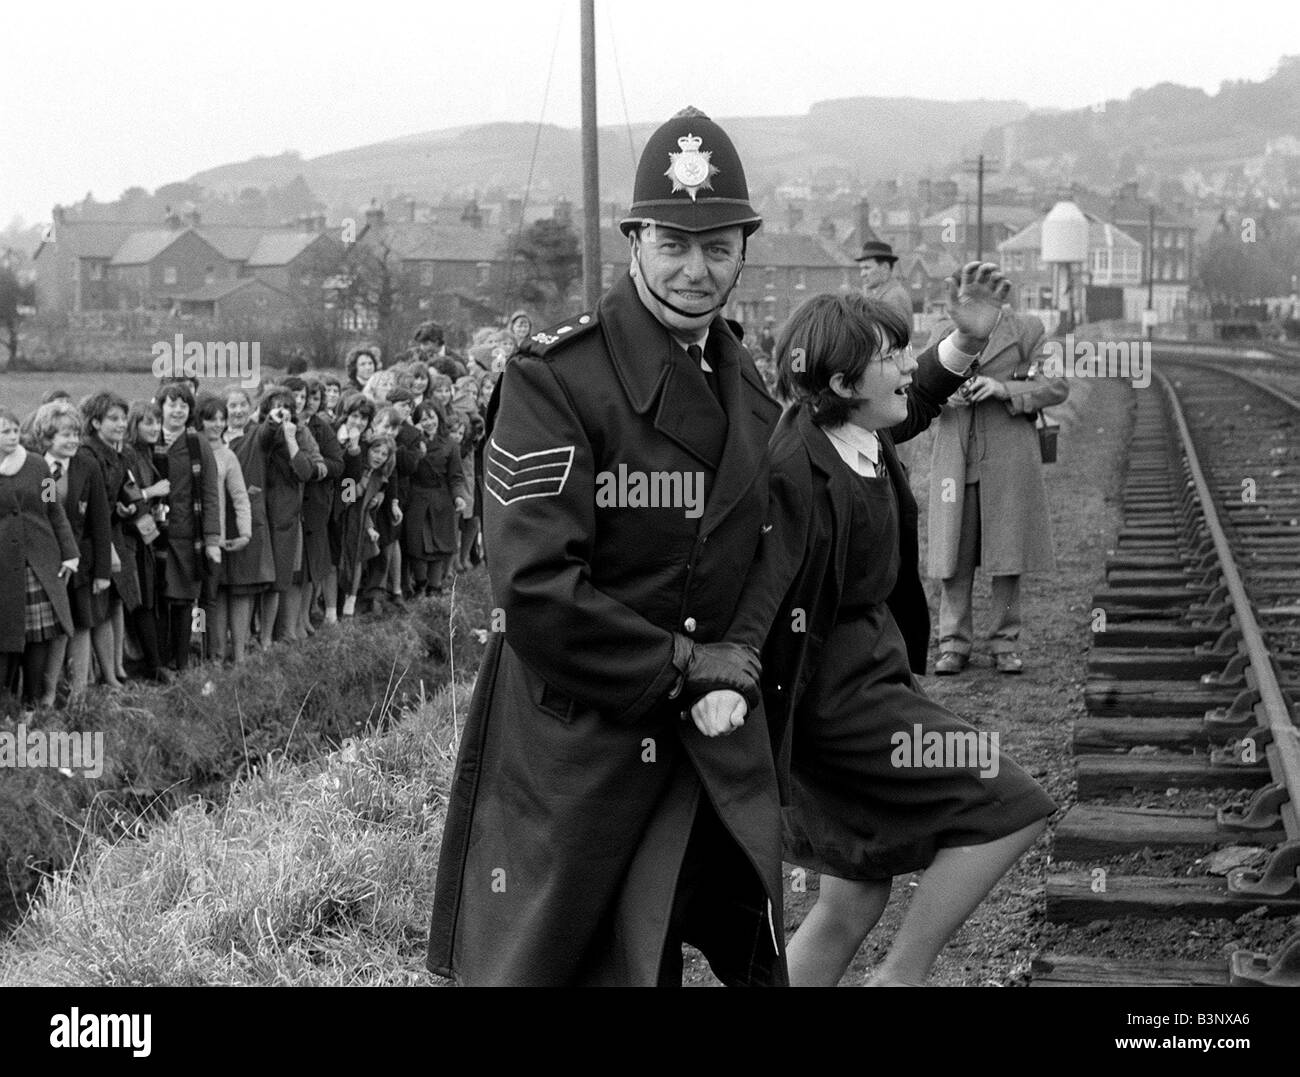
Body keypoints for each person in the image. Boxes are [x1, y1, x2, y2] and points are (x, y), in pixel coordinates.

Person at [428, 106, 787, 986]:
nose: (695, 270)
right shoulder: (555, 381)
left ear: (744, 249)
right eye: (673, 244)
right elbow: (535, 588)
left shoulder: (740, 373)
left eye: (717, 246)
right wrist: (684, 664)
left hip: (713, 740)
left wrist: (735, 656)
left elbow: (779, 526)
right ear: (633, 243)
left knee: (755, 953)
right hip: (586, 755)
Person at [716, 273, 1054, 986]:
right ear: (841, 380)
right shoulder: (796, 469)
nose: (905, 368)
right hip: (836, 706)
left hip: (869, 681)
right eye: (889, 357)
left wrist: (964, 338)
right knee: (1011, 799)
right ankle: (899, 977)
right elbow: (760, 597)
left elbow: (924, 393)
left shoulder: (858, 432)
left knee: (852, 897)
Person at [927, 296, 1069, 675]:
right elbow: (918, 387)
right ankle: (953, 644)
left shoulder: (1029, 331)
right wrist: (946, 392)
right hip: (956, 461)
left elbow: (1056, 384)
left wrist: (1003, 388)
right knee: (953, 555)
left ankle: (1005, 643)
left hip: (1008, 459)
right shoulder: (943, 332)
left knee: (1007, 555)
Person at [29, 401, 113, 702]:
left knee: (81, 625)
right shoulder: (35, 467)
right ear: (48, 436)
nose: (74, 440)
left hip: (83, 564)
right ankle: (48, 695)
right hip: (46, 567)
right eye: (66, 435)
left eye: (77, 434)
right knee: (54, 632)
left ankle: (80, 695)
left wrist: (103, 571)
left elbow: (100, 521)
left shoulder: (86, 466)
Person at [0, 407, 79, 709]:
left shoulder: (36, 467)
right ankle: (7, 707)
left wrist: (70, 553)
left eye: (14, 430)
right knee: (7, 639)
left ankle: (34, 707)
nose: (11, 436)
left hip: (39, 562)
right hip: (5, 568)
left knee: (39, 639)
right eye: (4, 430)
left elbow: (54, 510)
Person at [152, 382, 222, 672]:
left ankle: (182, 662)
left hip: (187, 536)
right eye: (172, 404)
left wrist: (212, 539)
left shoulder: (198, 444)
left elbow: (209, 493)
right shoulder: (148, 438)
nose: (178, 411)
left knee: (185, 602)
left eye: (184, 405)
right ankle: (158, 662)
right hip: (154, 535)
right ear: (161, 408)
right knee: (157, 602)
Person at [195, 394, 252, 662]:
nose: (217, 425)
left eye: (221, 419)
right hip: (186, 535)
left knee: (209, 598)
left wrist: (244, 533)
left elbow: (240, 497)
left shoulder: (227, 456)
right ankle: (195, 649)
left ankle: (213, 653)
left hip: (215, 537)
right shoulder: (190, 447)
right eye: (211, 419)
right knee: (192, 600)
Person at [855, 239, 913, 326]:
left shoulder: (894, 297)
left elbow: (894, 336)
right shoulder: (878, 294)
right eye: (861, 269)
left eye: (867, 268)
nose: (862, 274)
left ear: (885, 268)